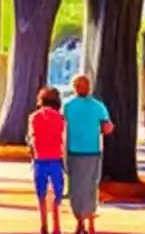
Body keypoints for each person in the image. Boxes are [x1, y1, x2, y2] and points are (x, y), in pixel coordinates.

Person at [62, 75, 112, 234]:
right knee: (88, 186)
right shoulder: (97, 106)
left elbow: (106, 126)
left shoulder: (68, 105)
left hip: (80, 151)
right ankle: (86, 223)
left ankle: (84, 222)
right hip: (87, 151)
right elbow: (107, 128)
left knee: (78, 187)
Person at [28, 87, 66, 234]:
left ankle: (43, 224)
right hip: (56, 158)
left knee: (41, 194)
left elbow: (31, 138)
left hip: (40, 159)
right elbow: (63, 138)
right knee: (57, 193)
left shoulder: (34, 117)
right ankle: (56, 226)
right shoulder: (60, 118)